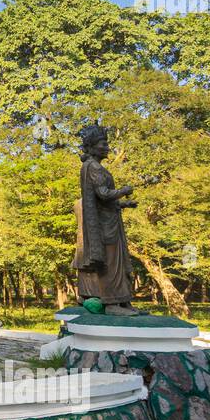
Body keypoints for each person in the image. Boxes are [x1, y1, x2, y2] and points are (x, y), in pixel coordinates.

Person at [70, 123, 140, 316]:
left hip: (110, 221)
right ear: (92, 147)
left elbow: (103, 201)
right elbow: (103, 194)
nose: (107, 147)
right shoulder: (92, 167)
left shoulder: (94, 166)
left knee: (118, 262)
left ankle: (123, 301)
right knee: (110, 264)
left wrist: (124, 204)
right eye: (103, 143)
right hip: (104, 227)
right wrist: (123, 191)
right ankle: (111, 303)